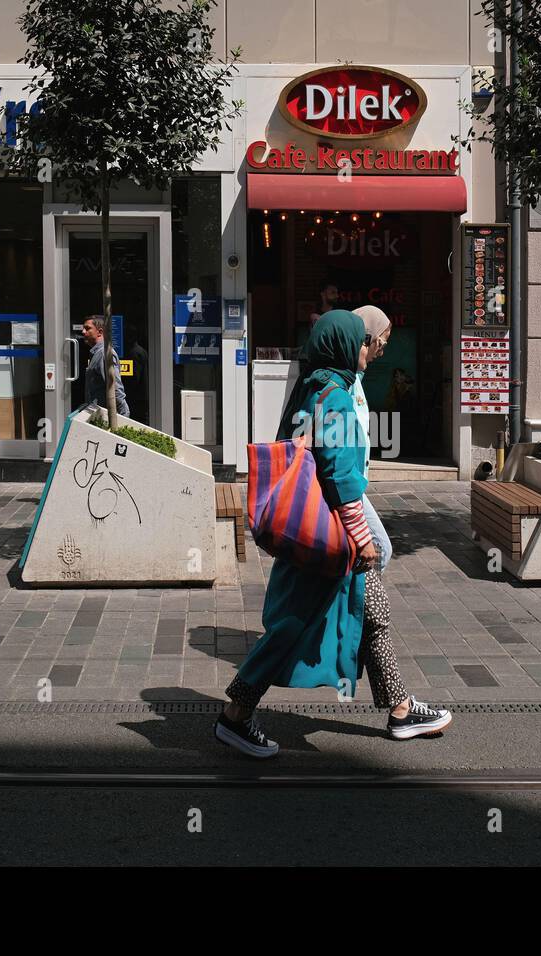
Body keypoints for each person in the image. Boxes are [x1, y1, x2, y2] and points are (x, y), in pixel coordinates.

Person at [214, 310, 451, 759]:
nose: (367, 351)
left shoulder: (308, 388)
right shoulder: (337, 397)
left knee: (372, 613)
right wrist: (362, 538)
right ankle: (235, 715)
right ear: (342, 346)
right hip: (331, 534)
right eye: (362, 343)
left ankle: (400, 709)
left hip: (306, 525)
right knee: (290, 626)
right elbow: (341, 474)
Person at [352, 305, 393, 572]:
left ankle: (345, 606)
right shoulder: (342, 383)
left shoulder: (355, 378)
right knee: (380, 549)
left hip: (353, 484)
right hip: (348, 486)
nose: (381, 350)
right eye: (381, 342)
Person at [81, 316, 130, 417]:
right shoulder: (97, 353)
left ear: (100, 332)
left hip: (105, 415)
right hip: (98, 413)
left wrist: (123, 415)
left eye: (87, 328)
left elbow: (115, 387)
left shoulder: (105, 354)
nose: (83, 331)